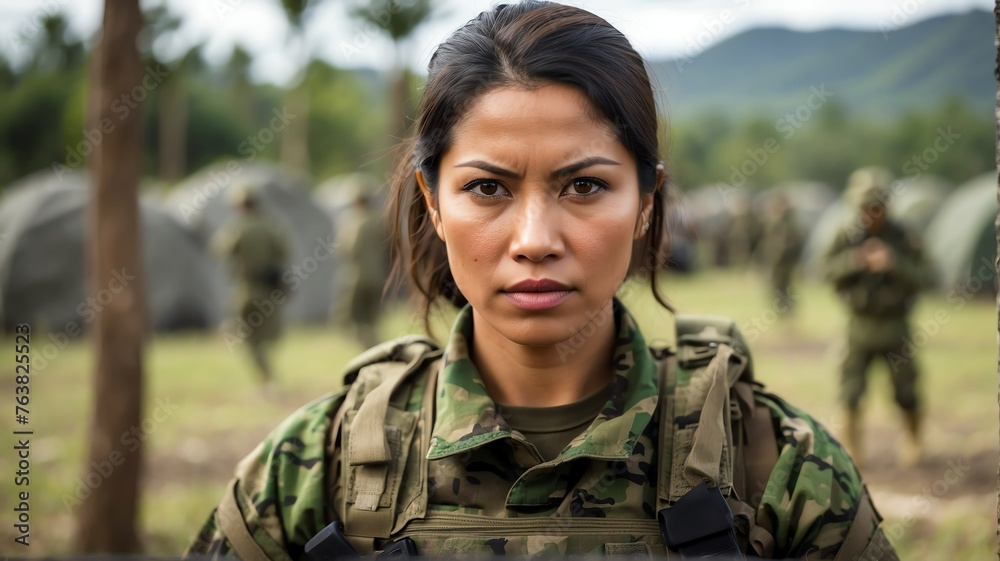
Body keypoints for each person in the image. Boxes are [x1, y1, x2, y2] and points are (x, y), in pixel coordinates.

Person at [186, 3, 896, 559]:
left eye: (584, 185)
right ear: (433, 203)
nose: (534, 241)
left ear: (647, 203)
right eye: (488, 188)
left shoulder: (775, 465)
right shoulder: (316, 467)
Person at [823, 166, 934, 467]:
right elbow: (825, 271)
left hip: (895, 327)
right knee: (850, 392)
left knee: (907, 391)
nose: (870, 215)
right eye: (864, 208)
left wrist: (892, 262)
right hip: (858, 327)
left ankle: (913, 441)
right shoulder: (846, 237)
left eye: (876, 207)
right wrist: (855, 260)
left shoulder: (904, 237)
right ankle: (853, 451)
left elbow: (927, 277)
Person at [211, 182, 291, 392]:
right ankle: (268, 379)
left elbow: (221, 250)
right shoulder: (271, 225)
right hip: (269, 290)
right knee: (264, 336)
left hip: (247, 289)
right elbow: (284, 251)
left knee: (248, 337)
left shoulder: (237, 228)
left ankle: (267, 379)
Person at [334, 177, 388, 349]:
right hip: (378, 275)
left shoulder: (353, 221)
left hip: (356, 277)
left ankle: (372, 346)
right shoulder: (380, 220)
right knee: (371, 319)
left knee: (346, 318)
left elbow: (347, 249)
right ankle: (377, 347)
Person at [758, 193, 804, 311]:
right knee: (775, 285)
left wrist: (782, 252)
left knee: (784, 285)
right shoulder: (774, 221)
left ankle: (787, 308)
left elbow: (793, 242)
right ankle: (779, 308)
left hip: (786, 260)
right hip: (775, 259)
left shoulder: (790, 223)